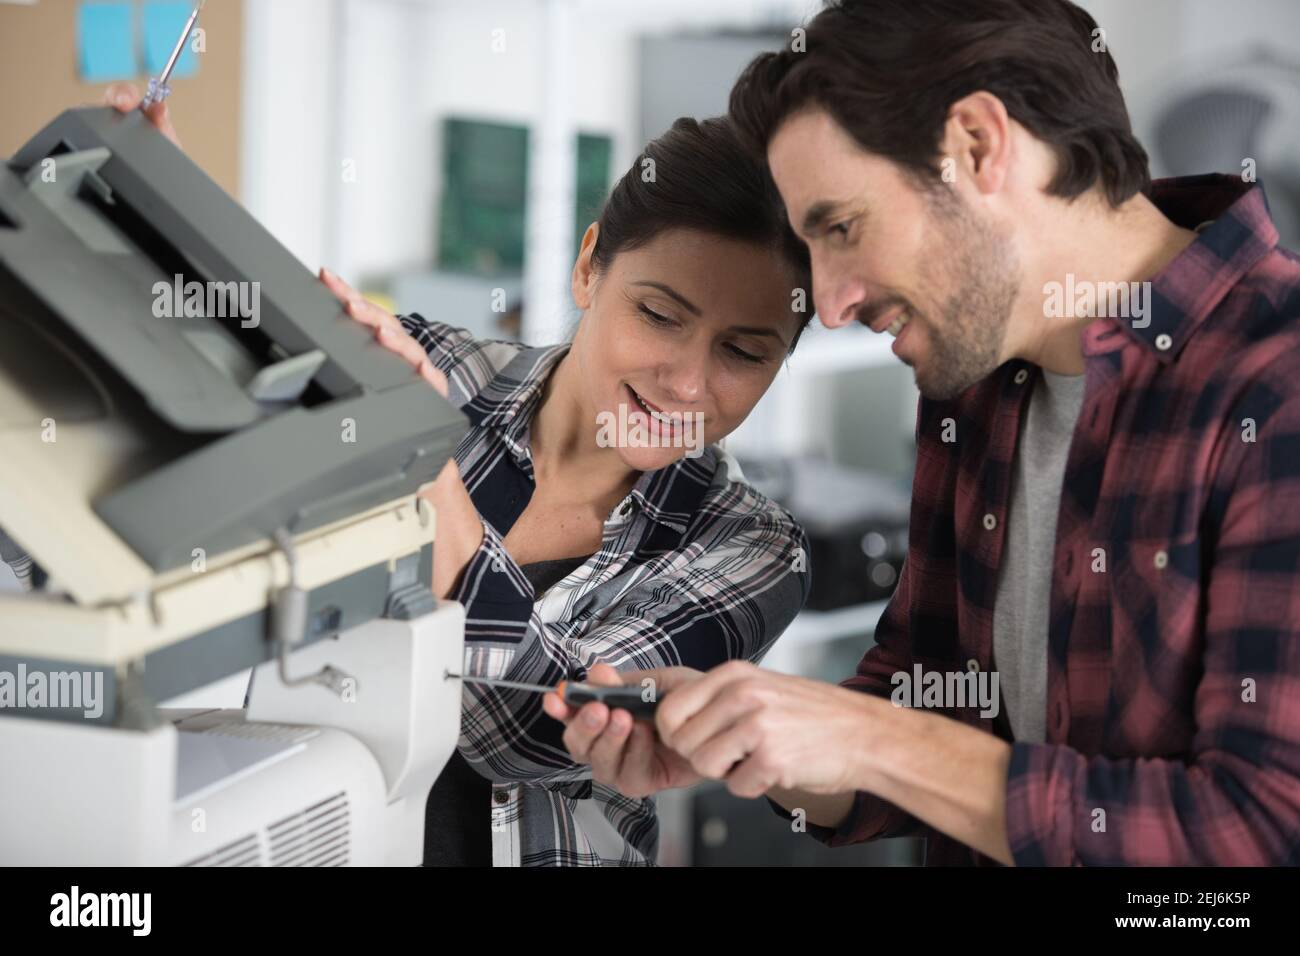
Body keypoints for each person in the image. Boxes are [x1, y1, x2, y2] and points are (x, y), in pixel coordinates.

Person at [549, 0, 1300, 867]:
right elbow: (934, 709)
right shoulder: (974, 379)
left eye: (840, 228)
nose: (827, 305)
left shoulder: (1273, 389)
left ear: (979, 146)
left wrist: (869, 738)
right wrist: (747, 740)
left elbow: (1254, 836)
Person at [108, 85, 813, 865]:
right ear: (589, 270)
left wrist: (426, 474)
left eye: (743, 353)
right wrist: (166, 232)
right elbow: (228, 391)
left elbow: (536, 733)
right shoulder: (434, 369)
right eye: (659, 315)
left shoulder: (754, 550)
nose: (685, 383)